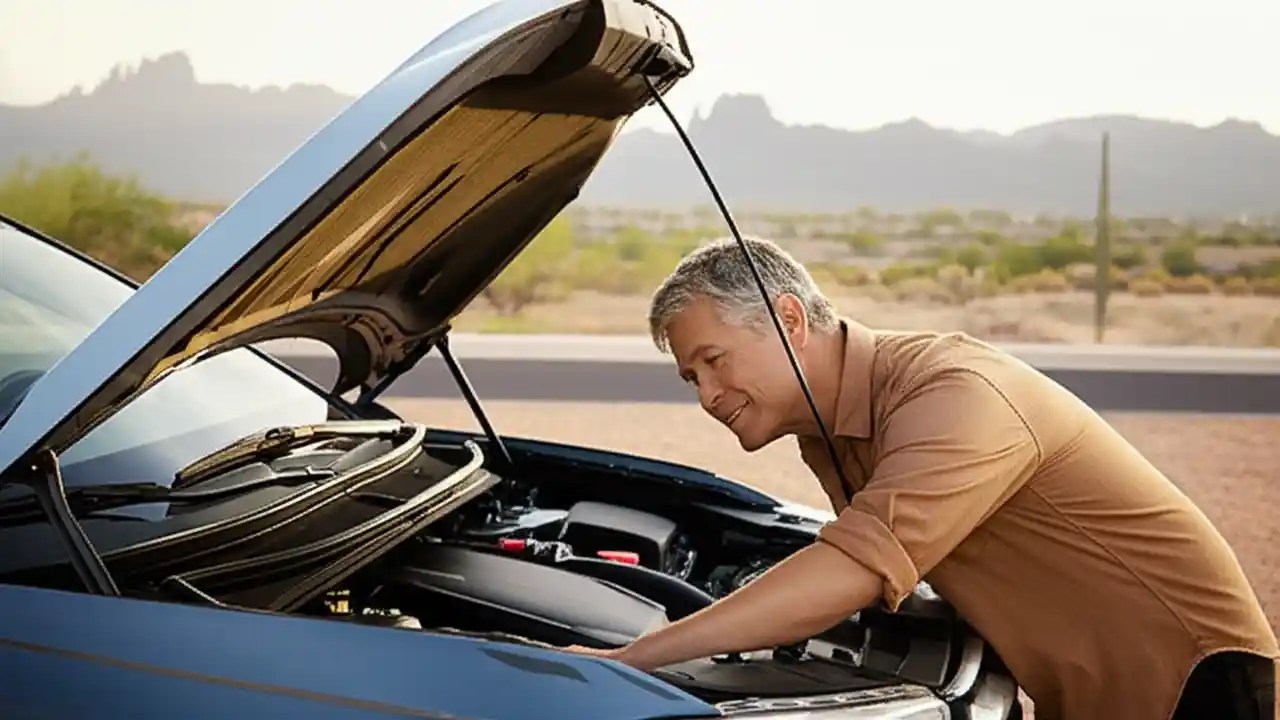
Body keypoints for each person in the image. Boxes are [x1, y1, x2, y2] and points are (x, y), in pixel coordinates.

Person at [563, 236, 1278, 720]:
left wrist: (631, 659)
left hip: (1189, 683)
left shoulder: (954, 395)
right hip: (1089, 693)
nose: (707, 395)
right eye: (692, 377)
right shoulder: (830, 427)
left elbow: (850, 572)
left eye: (715, 360)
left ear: (788, 319)